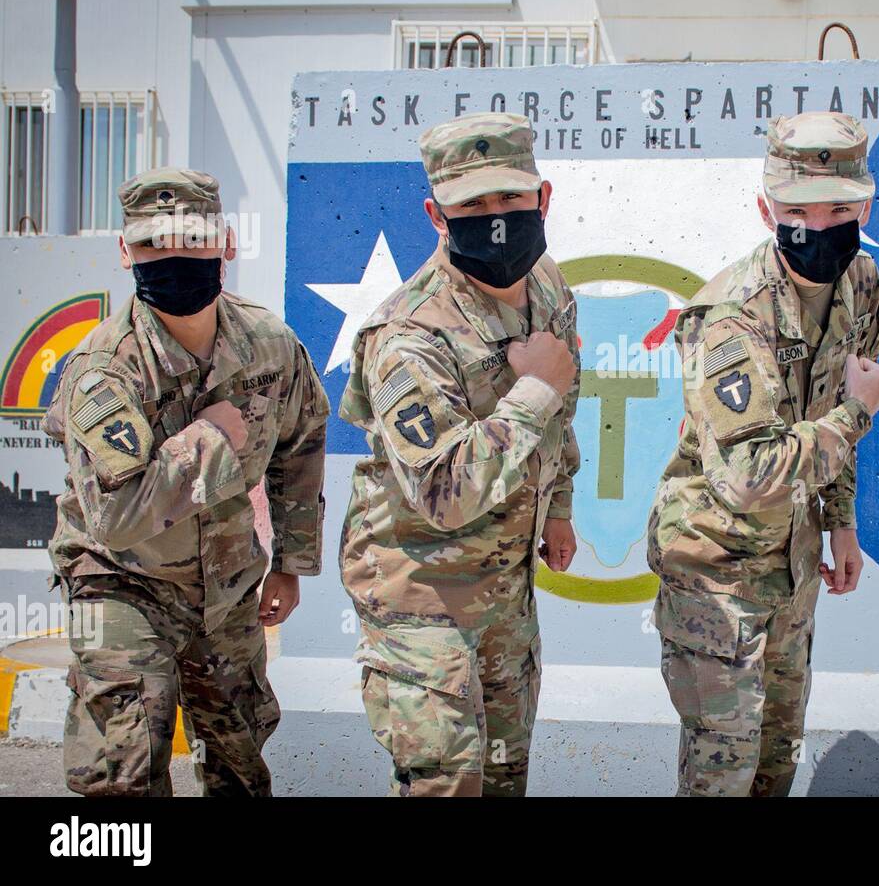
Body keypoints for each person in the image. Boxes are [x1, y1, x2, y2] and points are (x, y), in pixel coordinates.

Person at [43, 167, 329, 796]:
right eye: (155, 244)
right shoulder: (103, 370)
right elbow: (117, 519)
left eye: (194, 240)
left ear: (226, 242)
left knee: (241, 761)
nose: (177, 257)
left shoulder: (269, 346)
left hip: (225, 585)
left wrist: (290, 560)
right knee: (121, 776)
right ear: (126, 252)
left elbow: (300, 444)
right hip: (122, 581)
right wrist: (209, 438)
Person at [646, 111, 879, 796]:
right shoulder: (730, 316)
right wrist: (857, 414)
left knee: (776, 759)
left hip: (792, 562)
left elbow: (831, 408)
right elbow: (753, 474)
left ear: (866, 206)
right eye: (798, 209)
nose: (819, 223)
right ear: (765, 209)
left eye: (840, 207)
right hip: (716, 568)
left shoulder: (862, 283)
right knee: (722, 771)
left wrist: (841, 521)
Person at [338, 112, 581, 797]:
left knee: (504, 774)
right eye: (472, 204)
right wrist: (533, 387)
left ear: (543, 198)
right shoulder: (407, 334)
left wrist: (557, 506)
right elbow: (445, 492)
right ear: (436, 214)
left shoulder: (548, 289)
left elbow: (566, 405)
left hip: (504, 591)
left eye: (509, 197)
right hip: (422, 597)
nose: (496, 217)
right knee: (446, 783)